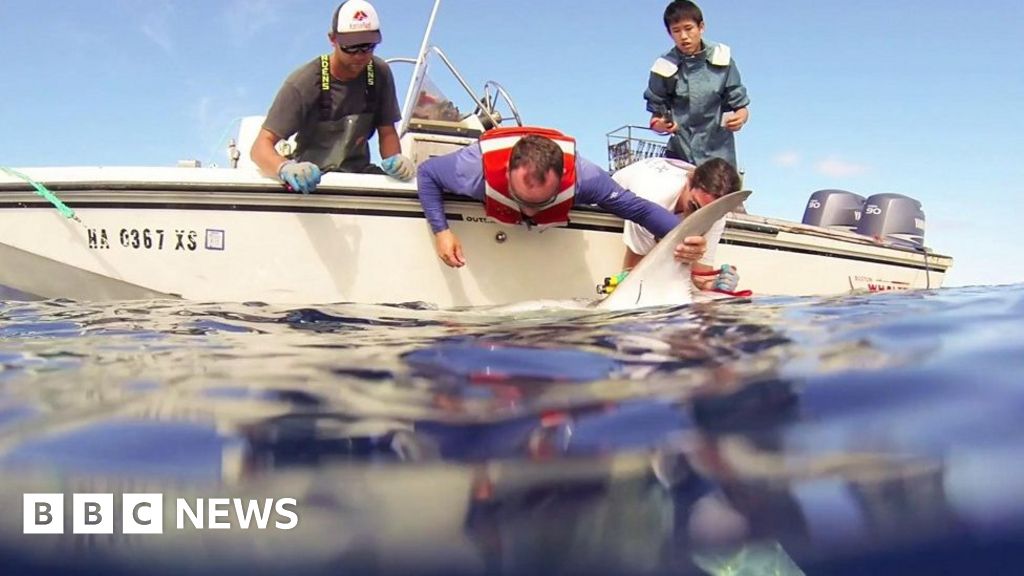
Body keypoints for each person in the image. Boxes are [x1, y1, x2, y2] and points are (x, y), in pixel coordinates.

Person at [415, 126, 709, 268]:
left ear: (564, 179)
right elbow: (427, 173)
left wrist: (686, 237)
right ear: (505, 174)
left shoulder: (585, 177)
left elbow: (640, 210)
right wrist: (441, 231)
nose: (530, 214)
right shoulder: (472, 168)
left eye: (542, 202)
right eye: (521, 200)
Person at [250, 0, 415, 194]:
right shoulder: (304, 82)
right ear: (333, 39)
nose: (359, 55)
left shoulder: (379, 73)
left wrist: (396, 161)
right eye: (351, 47)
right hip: (313, 181)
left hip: (358, 176)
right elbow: (260, 147)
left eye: (368, 46)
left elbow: (387, 132)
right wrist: (285, 168)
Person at [645, 0, 750, 168]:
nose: (683, 36)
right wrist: (661, 125)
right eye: (676, 31)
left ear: (701, 27)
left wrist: (740, 119)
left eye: (688, 28)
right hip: (681, 157)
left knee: (721, 185)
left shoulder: (722, 59)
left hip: (720, 157)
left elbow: (741, 107)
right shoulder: (663, 67)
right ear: (669, 33)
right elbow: (655, 119)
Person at [613, 156, 743, 292]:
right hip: (619, 194)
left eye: (709, 216)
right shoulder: (652, 198)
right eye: (694, 206)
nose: (698, 219)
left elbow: (701, 275)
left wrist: (714, 285)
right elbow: (634, 271)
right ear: (689, 183)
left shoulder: (716, 212)